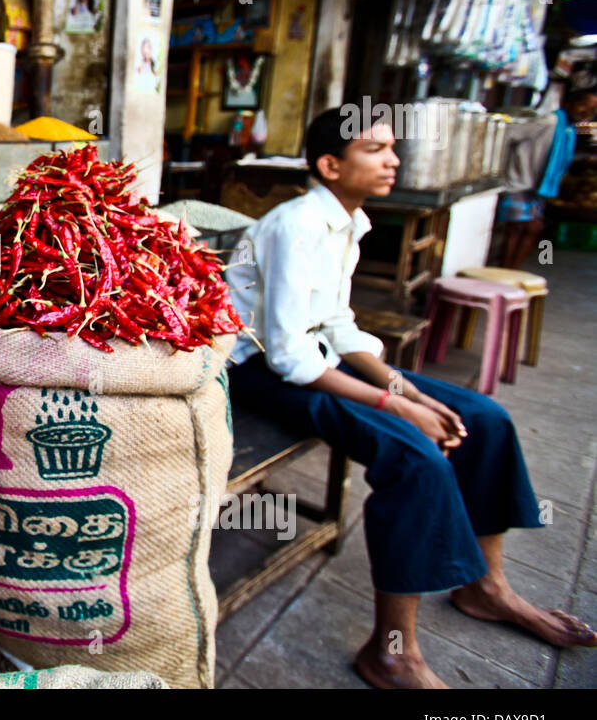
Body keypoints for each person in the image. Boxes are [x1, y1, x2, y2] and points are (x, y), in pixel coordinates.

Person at [224, 105, 596, 689]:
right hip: (261, 370)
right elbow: (291, 357)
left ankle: (486, 587)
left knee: (485, 419)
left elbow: (338, 325)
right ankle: (391, 652)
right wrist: (398, 407)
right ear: (330, 164)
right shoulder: (294, 224)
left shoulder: (349, 221)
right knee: (417, 457)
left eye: (392, 147)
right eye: (374, 149)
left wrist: (407, 386)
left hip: (314, 356)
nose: (393, 159)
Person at [497, 86, 597, 269]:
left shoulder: (568, 130)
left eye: (592, 110)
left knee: (530, 229)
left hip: (537, 188)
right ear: (569, 104)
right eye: (583, 106)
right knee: (518, 229)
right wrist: (514, 164)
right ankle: (505, 272)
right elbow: (509, 135)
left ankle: (511, 272)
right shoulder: (550, 121)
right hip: (519, 183)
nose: (586, 112)